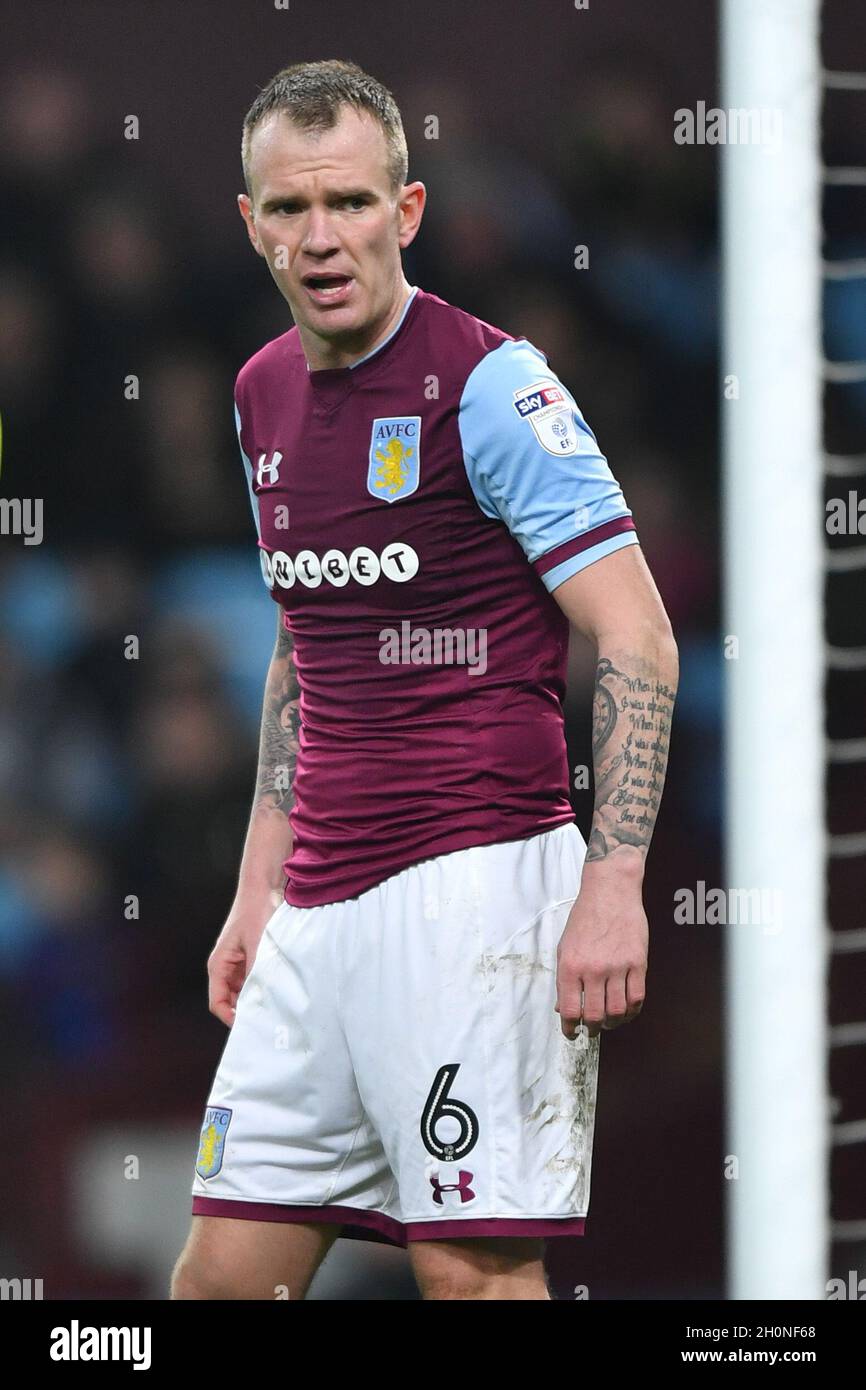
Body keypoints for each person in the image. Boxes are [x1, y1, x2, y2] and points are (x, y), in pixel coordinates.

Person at [171, 59, 678, 1302]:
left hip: (477, 890)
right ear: (250, 224)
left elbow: (636, 638)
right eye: (287, 209)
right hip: (317, 908)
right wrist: (256, 889)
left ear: (405, 211)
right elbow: (306, 647)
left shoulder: (495, 386)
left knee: (471, 1278)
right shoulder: (258, 395)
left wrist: (611, 882)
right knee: (219, 1281)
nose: (320, 235)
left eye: (348, 201)